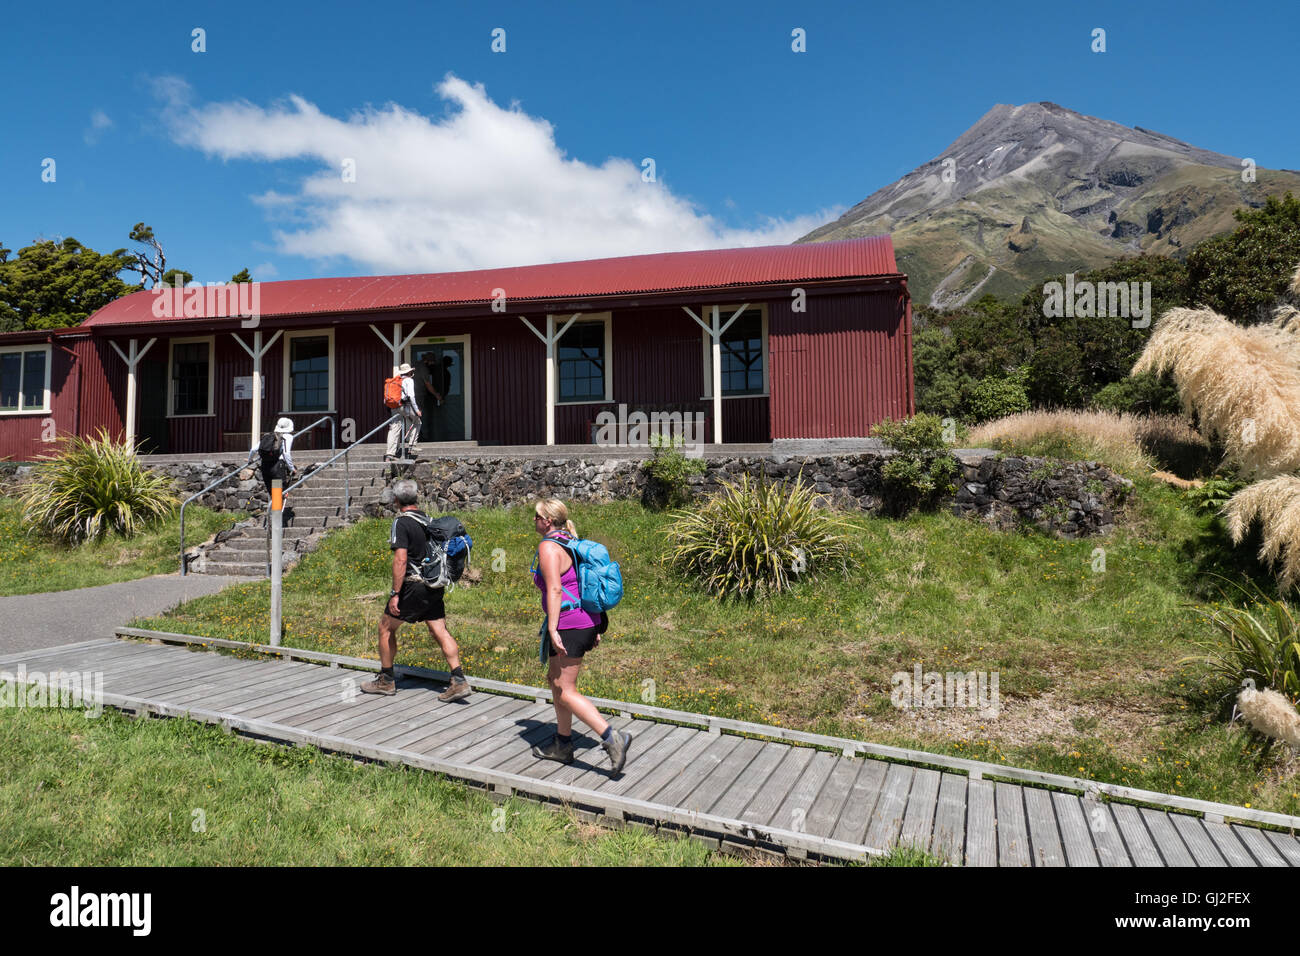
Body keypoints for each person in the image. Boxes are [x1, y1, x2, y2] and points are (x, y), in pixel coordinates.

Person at [529, 498, 630, 772]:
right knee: (554, 681)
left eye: (536, 516)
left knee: (566, 689)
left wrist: (552, 628)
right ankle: (563, 744)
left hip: (568, 625)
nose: (534, 520)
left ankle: (612, 737)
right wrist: (595, 626)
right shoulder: (571, 541)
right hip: (580, 622)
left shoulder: (549, 547)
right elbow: (581, 584)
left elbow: (556, 590)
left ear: (547, 520)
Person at [361, 479, 472, 701]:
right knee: (439, 630)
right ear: (416, 499)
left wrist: (395, 593)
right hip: (434, 584)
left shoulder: (401, 523)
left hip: (413, 586)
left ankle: (386, 680)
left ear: (396, 500)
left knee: (385, 627)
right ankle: (458, 680)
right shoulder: (429, 520)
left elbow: (401, 560)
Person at [248, 417, 298, 497]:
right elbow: (286, 453)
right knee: (278, 494)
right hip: (277, 467)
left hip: (265, 466)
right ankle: (277, 508)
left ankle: (274, 508)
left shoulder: (268, 436)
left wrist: (249, 461)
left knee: (273, 495)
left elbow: (253, 449)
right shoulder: (288, 437)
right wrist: (292, 468)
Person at [384, 363, 421, 461]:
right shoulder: (409, 380)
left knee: (394, 429)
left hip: (394, 406)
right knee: (417, 422)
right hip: (405, 406)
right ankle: (412, 447)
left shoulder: (395, 380)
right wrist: (417, 410)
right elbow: (411, 396)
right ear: (409, 372)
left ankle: (390, 454)